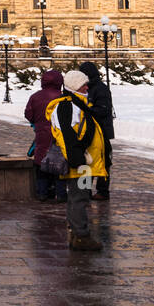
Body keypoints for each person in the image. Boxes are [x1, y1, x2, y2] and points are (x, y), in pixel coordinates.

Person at [45, 69, 106, 252]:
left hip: (85, 164)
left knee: (81, 196)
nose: (87, 87)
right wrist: (77, 160)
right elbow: (66, 135)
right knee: (78, 197)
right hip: (80, 164)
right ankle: (81, 235)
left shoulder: (78, 104)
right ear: (74, 87)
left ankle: (77, 233)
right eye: (83, 85)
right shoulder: (67, 106)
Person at [24, 68, 66, 203]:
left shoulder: (35, 97)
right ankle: (60, 193)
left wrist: (37, 122)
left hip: (41, 134)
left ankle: (42, 192)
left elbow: (28, 114)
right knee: (59, 163)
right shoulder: (62, 96)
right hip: (58, 135)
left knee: (41, 162)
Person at [78, 60, 114, 199]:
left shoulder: (100, 89)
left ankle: (102, 191)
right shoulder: (86, 88)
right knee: (85, 160)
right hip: (88, 132)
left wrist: (87, 110)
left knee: (104, 161)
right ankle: (84, 190)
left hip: (101, 132)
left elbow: (103, 110)